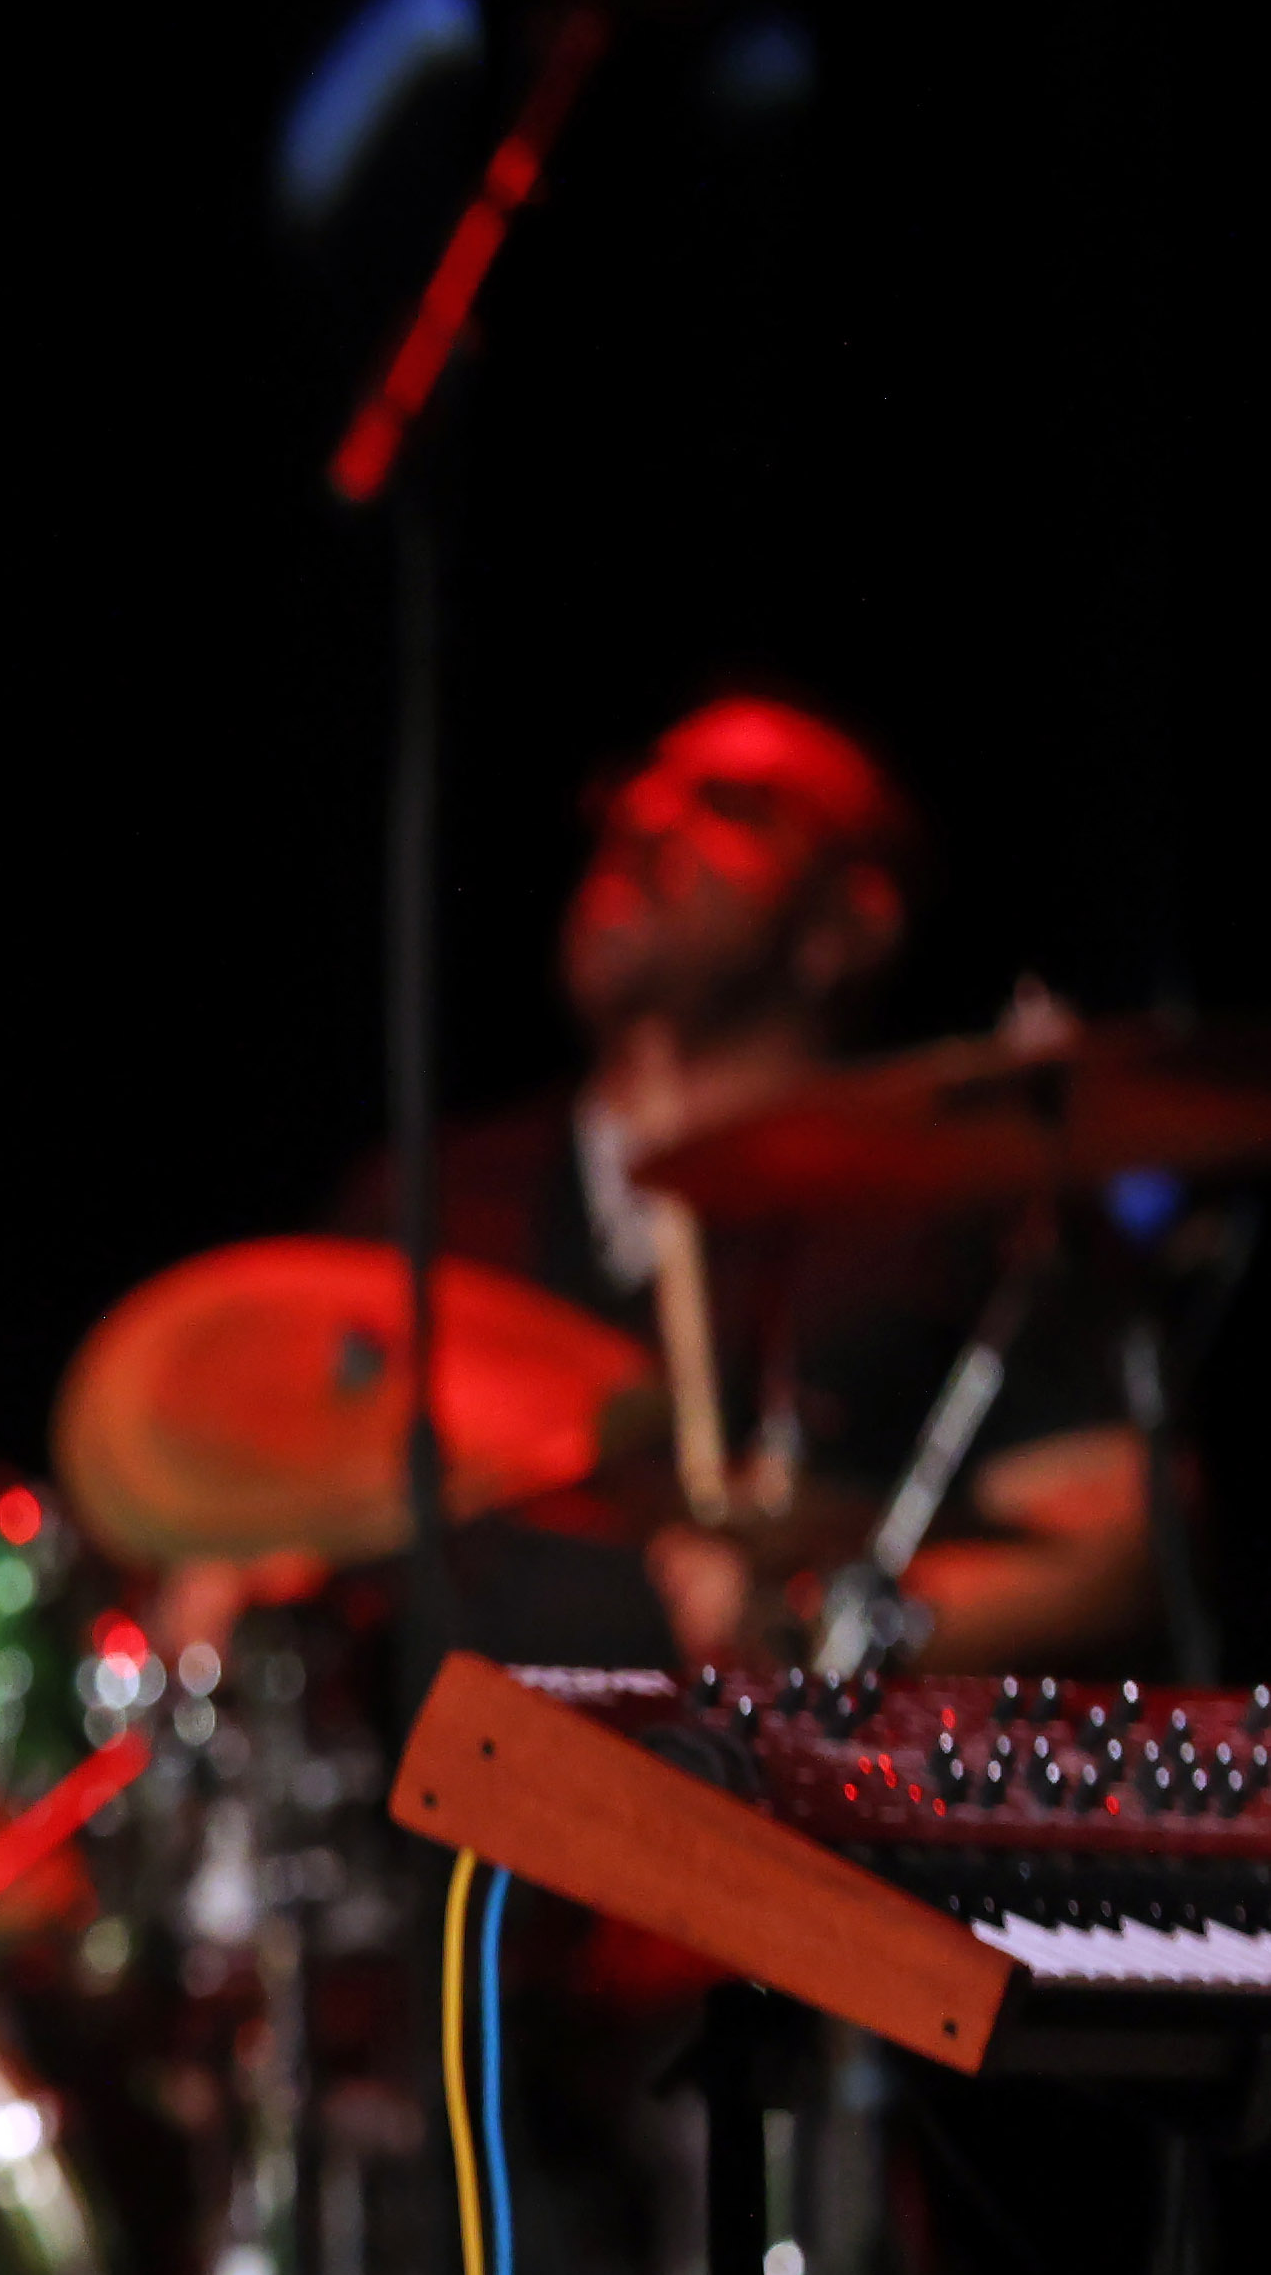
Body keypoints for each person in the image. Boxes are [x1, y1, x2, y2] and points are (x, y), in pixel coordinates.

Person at [372, 694, 1152, 1674]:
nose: (646, 818)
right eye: (634, 790)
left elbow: (1117, 1543)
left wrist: (825, 1632)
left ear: (846, 927)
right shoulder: (426, 1201)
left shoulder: (949, 1202)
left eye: (732, 807)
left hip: (779, 1768)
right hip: (441, 1774)